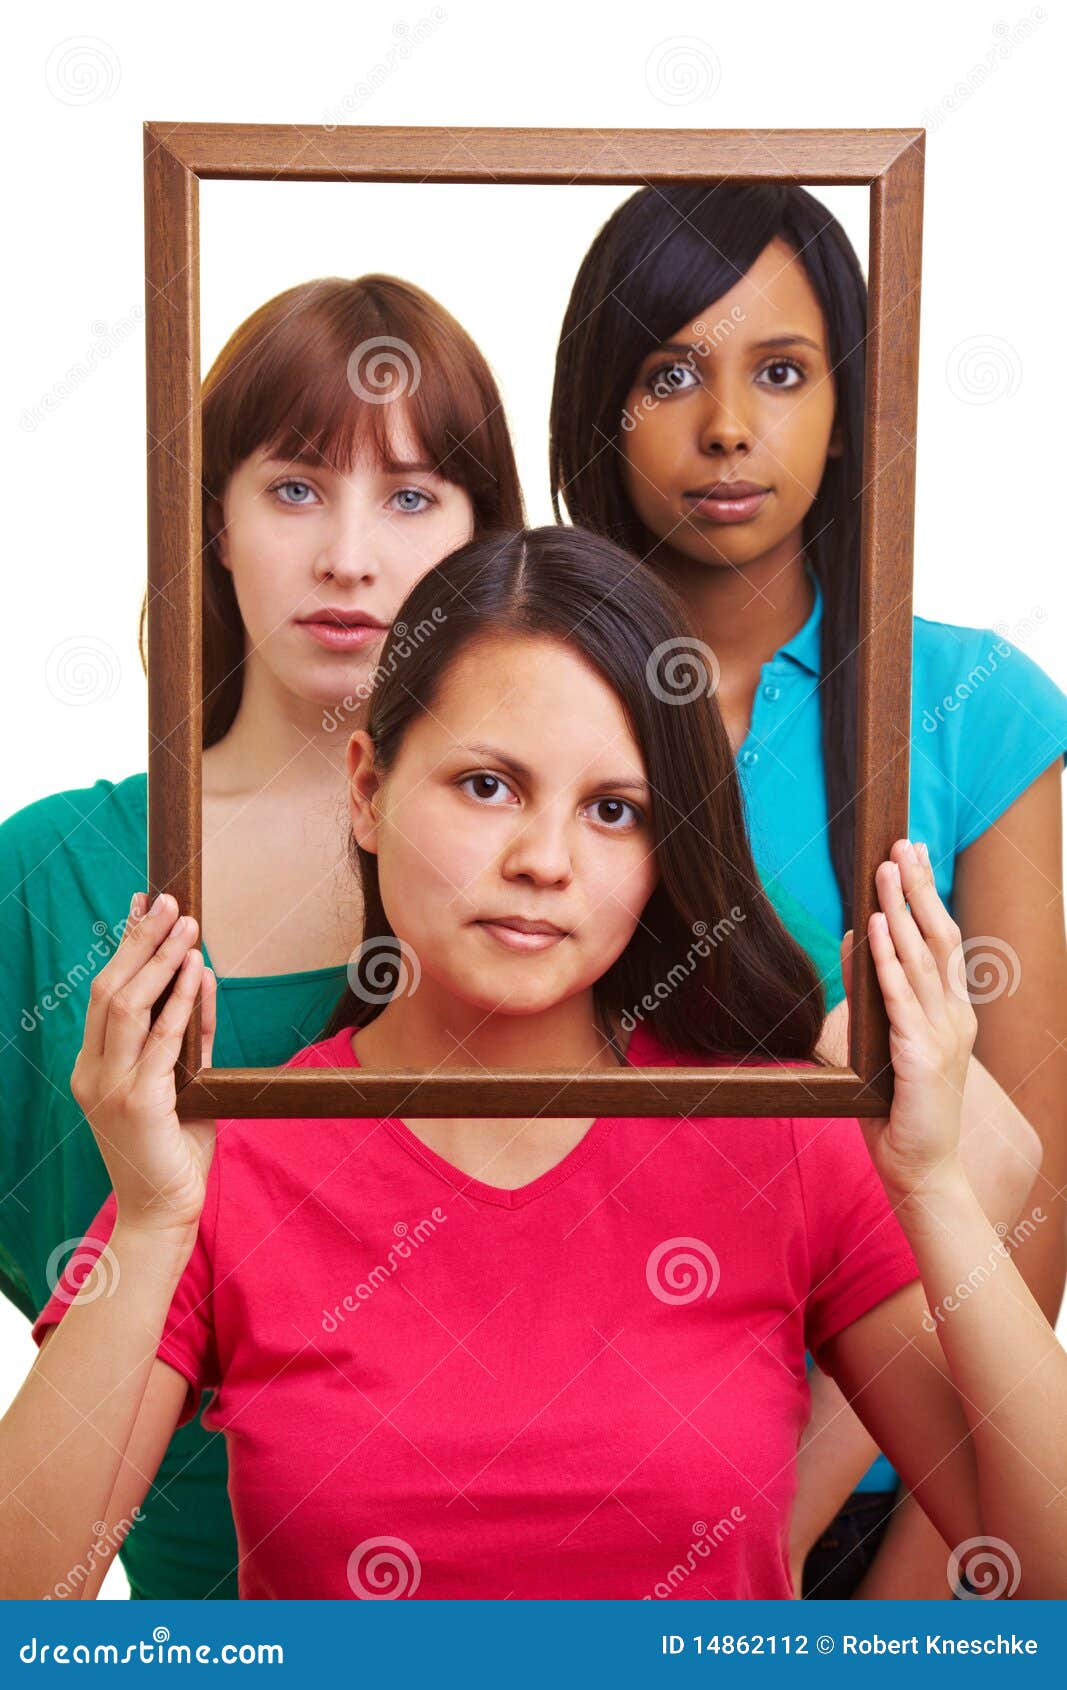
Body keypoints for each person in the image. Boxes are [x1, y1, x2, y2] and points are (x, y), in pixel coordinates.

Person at [4, 528, 1065, 1601]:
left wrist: (929, 1183)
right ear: (367, 787)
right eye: (487, 786)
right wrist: (148, 1224)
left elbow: (1037, 1566)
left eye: (613, 811)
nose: (544, 862)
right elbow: (23, 1609)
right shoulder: (230, 1160)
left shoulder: (777, 1136)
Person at [549, 186, 1067, 1595]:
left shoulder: (974, 706)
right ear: (598, 405)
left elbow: (1024, 1190)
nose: (727, 425)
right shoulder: (525, 704)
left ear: (848, 402)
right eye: (668, 373)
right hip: (582, 1471)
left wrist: (919, 1565)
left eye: (779, 372)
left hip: (895, 1485)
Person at [0, 271, 525, 1599]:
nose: (347, 555)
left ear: (483, 541)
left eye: (409, 496)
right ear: (213, 523)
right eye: (295, 487)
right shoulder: (49, 874)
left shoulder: (556, 867)